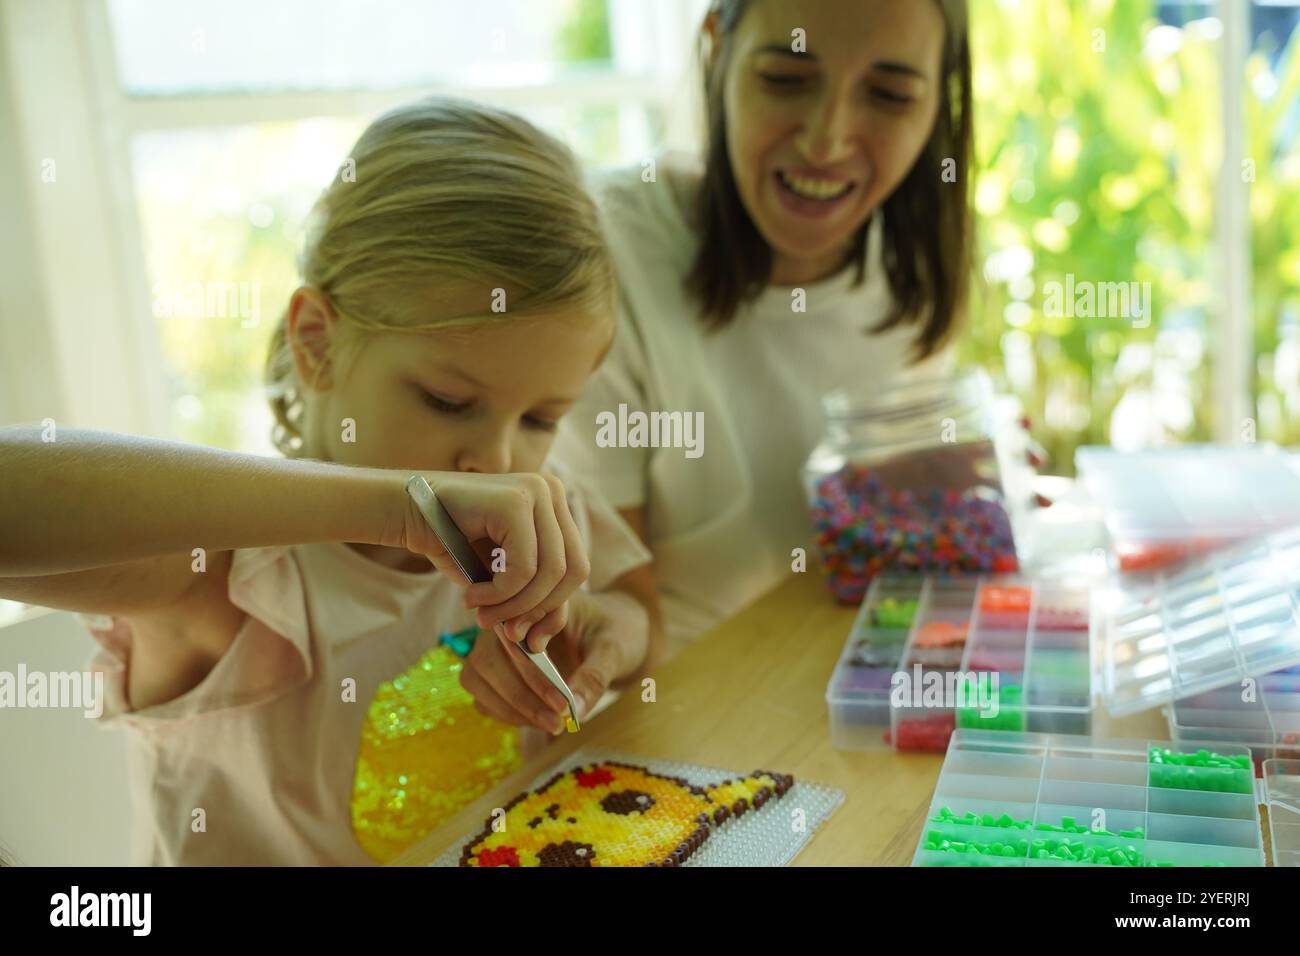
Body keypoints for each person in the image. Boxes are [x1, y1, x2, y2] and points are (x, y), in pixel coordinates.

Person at [0, 97, 661, 865]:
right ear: (316, 344)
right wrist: (400, 509)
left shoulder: (540, 514)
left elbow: (638, 614)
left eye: (542, 419)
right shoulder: (235, 581)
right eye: (448, 402)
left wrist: (607, 639)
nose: (497, 461)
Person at [555, 0, 971, 650]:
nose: (826, 142)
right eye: (785, 79)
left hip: (836, 676)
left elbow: (883, 554)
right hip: (681, 697)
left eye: (889, 96)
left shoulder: (908, 268)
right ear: (719, 51)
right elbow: (616, 619)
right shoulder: (603, 256)